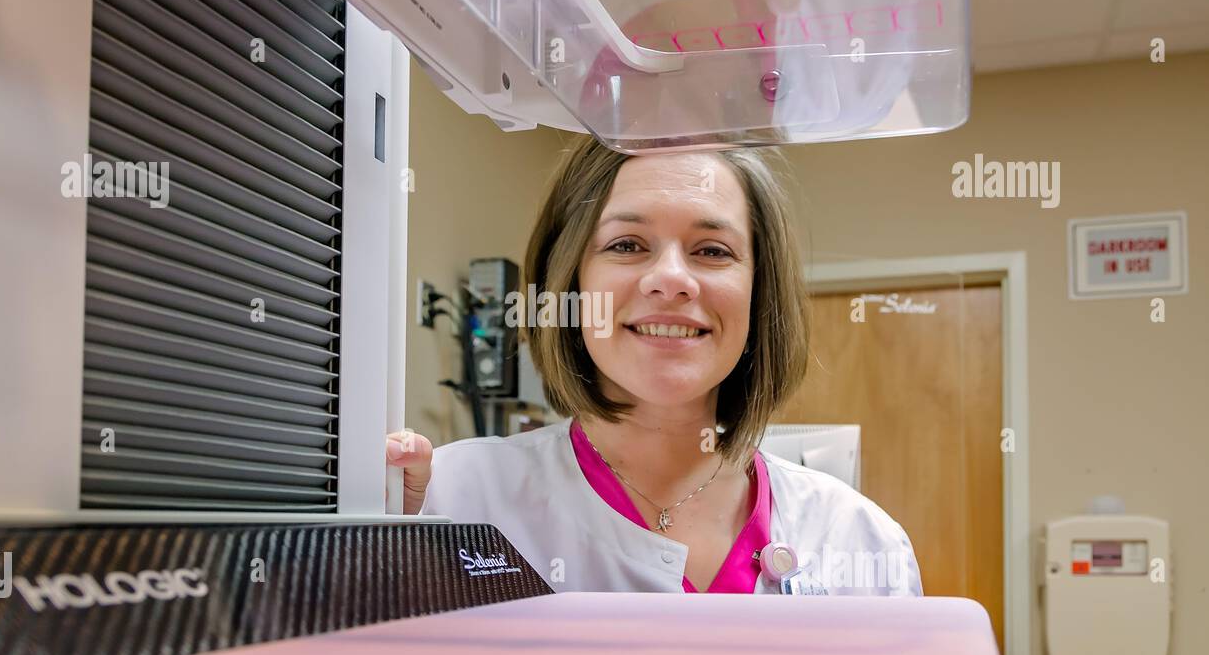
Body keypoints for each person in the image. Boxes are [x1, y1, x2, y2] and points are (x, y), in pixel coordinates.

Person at [387, 136, 921, 596]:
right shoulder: (452, 500)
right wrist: (376, 543)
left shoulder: (861, 542)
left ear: (760, 295)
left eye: (712, 251)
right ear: (569, 280)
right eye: (626, 244)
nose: (671, 279)